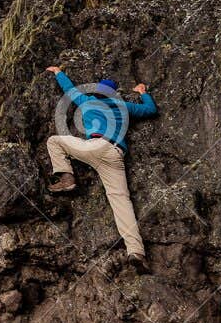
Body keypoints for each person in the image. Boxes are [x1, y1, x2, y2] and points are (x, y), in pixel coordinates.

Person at [43, 66, 158, 271]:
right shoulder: (123, 106)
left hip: (94, 146)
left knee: (54, 141)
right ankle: (136, 252)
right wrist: (143, 93)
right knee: (121, 202)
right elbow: (151, 110)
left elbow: (70, 91)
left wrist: (58, 72)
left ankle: (67, 177)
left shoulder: (87, 102)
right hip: (115, 154)